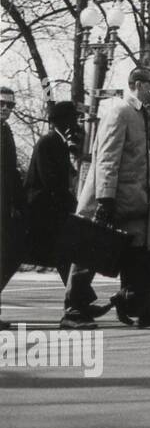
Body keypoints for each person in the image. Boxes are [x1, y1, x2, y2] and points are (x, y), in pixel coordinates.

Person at [61, 65, 150, 329]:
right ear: (136, 82)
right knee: (89, 252)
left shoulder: (139, 114)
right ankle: (72, 310)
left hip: (132, 200)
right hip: (111, 198)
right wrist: (104, 199)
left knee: (137, 255)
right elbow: (107, 157)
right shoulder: (119, 112)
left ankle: (142, 309)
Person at [23, 100, 82, 287]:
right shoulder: (49, 142)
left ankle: (78, 300)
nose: (76, 124)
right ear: (64, 121)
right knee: (64, 252)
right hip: (43, 208)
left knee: (64, 254)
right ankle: (78, 301)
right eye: (74, 119)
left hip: (51, 207)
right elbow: (50, 181)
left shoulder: (58, 142)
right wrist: (72, 204)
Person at [0, 85, 27, 324]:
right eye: (2, 104)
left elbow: (11, 170)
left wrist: (19, 201)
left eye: (11, 105)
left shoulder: (6, 131)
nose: (7, 109)